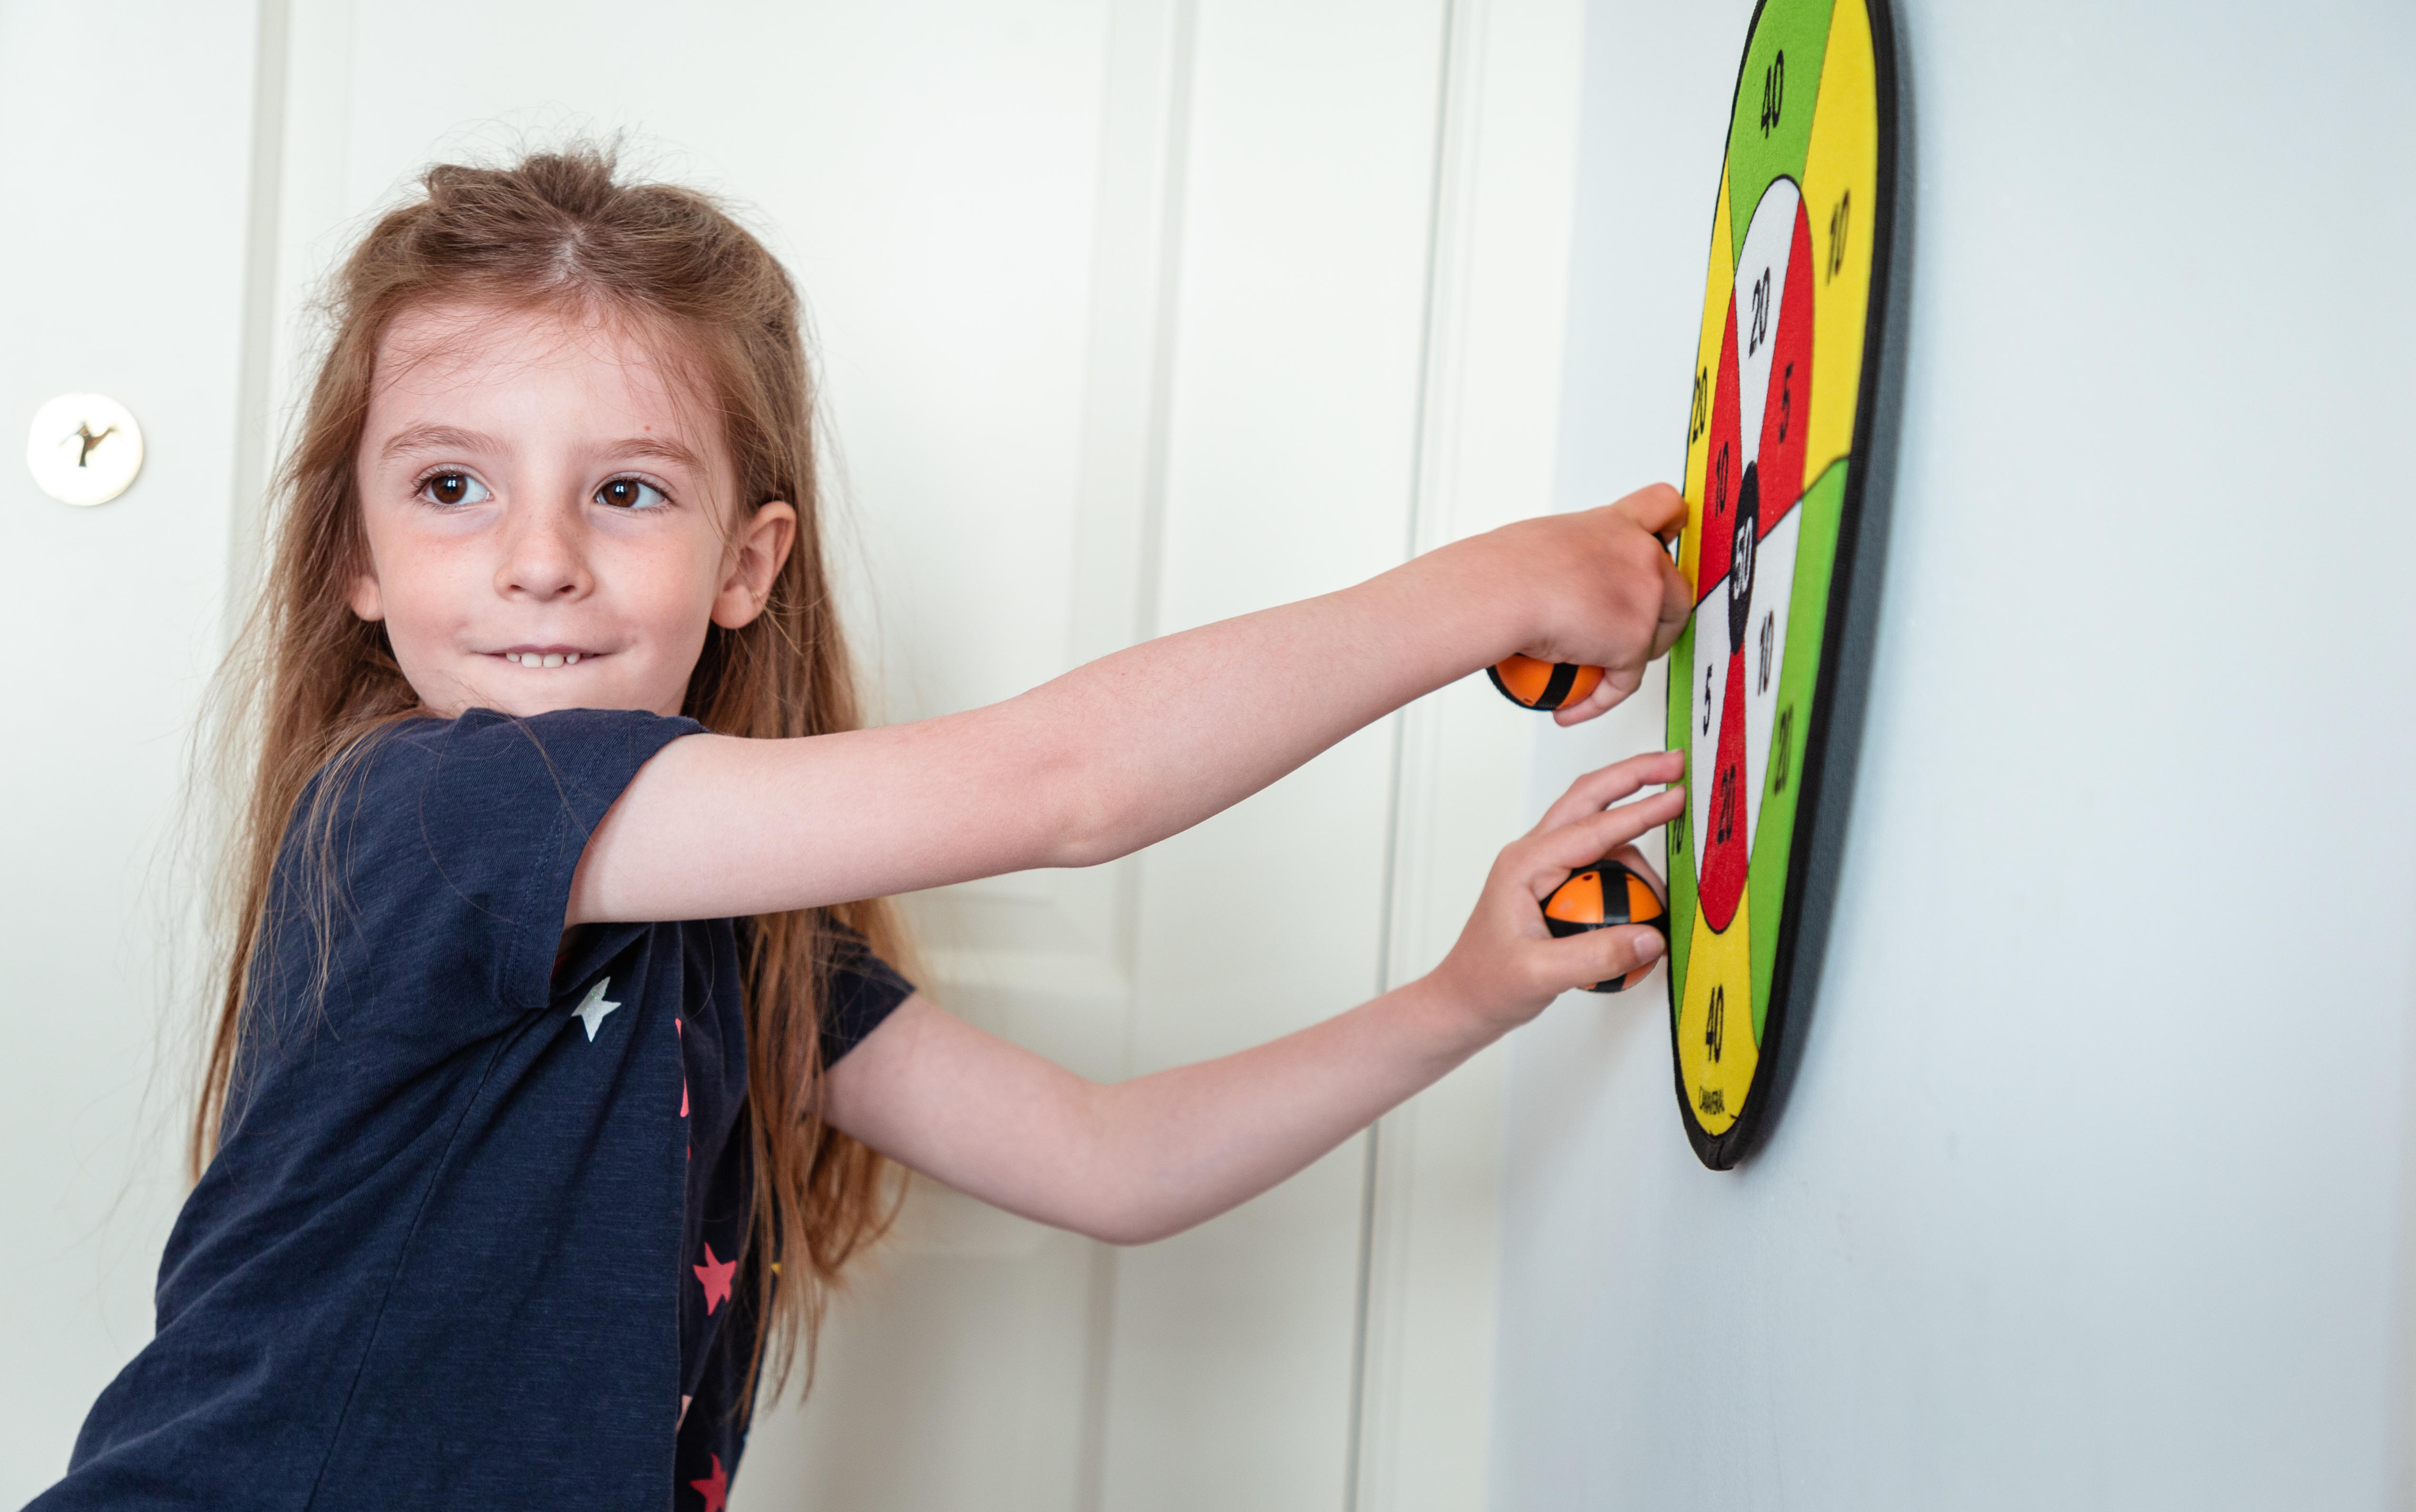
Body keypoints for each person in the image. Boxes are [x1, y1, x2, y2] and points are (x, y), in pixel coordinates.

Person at [29, 149, 1689, 1511]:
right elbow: (1066, 787)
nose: (539, 558)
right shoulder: (438, 812)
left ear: (747, 566)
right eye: (453, 486)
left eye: (627, 490)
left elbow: (1104, 1163)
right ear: (359, 561)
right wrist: (1488, 590)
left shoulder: (732, 950)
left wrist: (1463, 995)